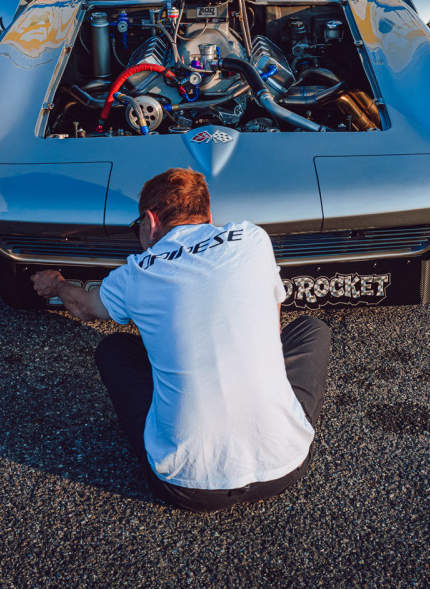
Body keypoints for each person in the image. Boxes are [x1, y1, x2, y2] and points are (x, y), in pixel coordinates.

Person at [31, 168, 331, 513]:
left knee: (115, 349)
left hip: (185, 485)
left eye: (137, 228)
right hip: (287, 465)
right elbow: (273, 319)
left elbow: (83, 307)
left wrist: (55, 283)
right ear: (209, 216)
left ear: (150, 220)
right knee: (312, 328)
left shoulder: (136, 272)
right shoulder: (253, 238)